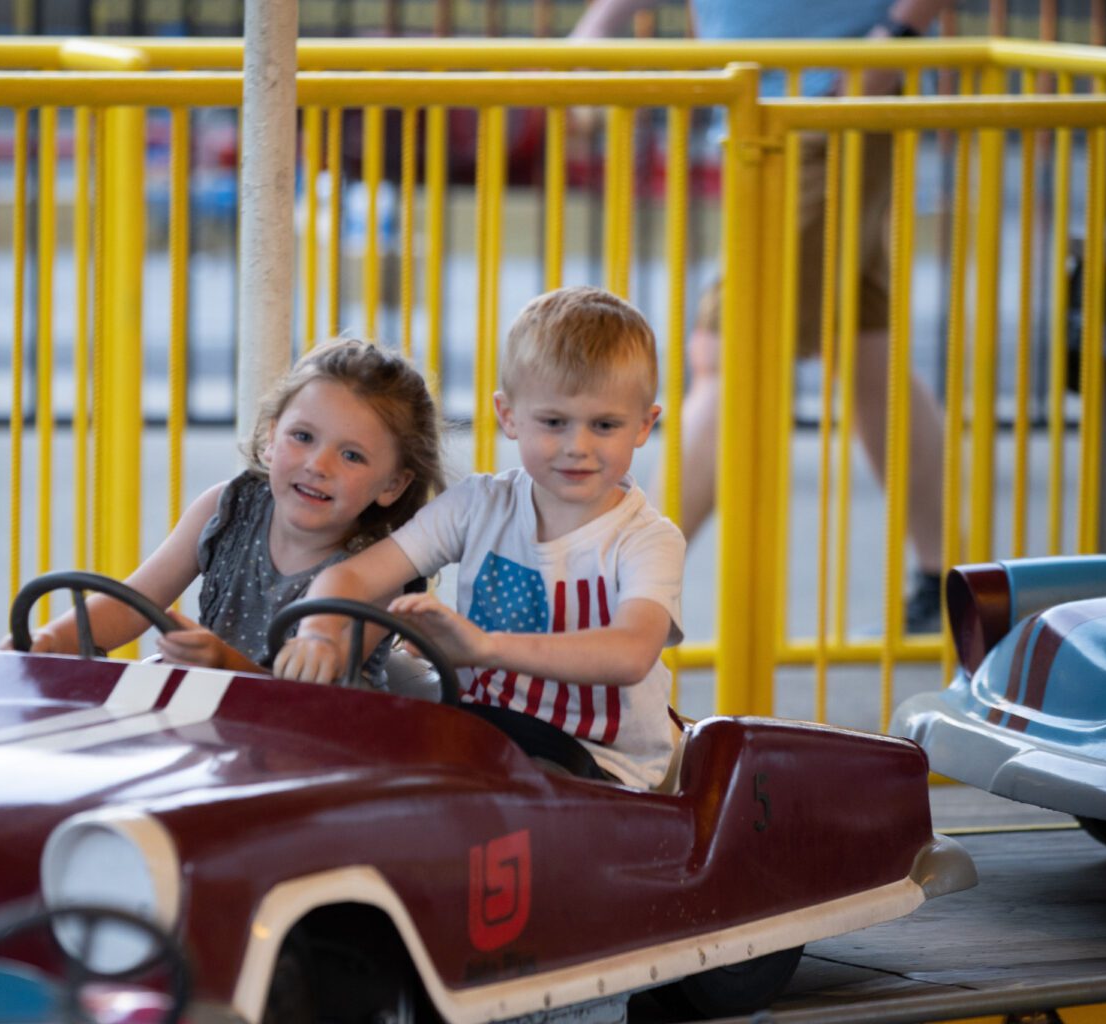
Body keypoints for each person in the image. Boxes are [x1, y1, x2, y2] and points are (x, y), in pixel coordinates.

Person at [571, 0, 951, 634]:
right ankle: (947, 582)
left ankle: (623, 589)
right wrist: (602, 24)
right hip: (782, 105)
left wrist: (894, 37)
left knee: (729, 353)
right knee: (864, 349)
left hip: (819, 106)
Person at [274, 287, 685, 788]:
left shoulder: (646, 541)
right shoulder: (478, 506)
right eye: (553, 422)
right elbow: (355, 574)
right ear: (509, 416)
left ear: (644, 425)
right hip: (481, 733)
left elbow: (629, 653)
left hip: (593, 760)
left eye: (604, 425)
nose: (578, 447)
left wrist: (484, 648)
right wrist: (319, 632)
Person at [16, 338, 445, 674]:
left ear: (393, 484)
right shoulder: (226, 510)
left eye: (351, 455)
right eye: (303, 437)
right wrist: (52, 639)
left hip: (318, 742)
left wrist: (223, 663)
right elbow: (133, 601)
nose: (318, 465)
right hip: (219, 721)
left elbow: (317, 691)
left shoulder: (375, 568)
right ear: (272, 438)